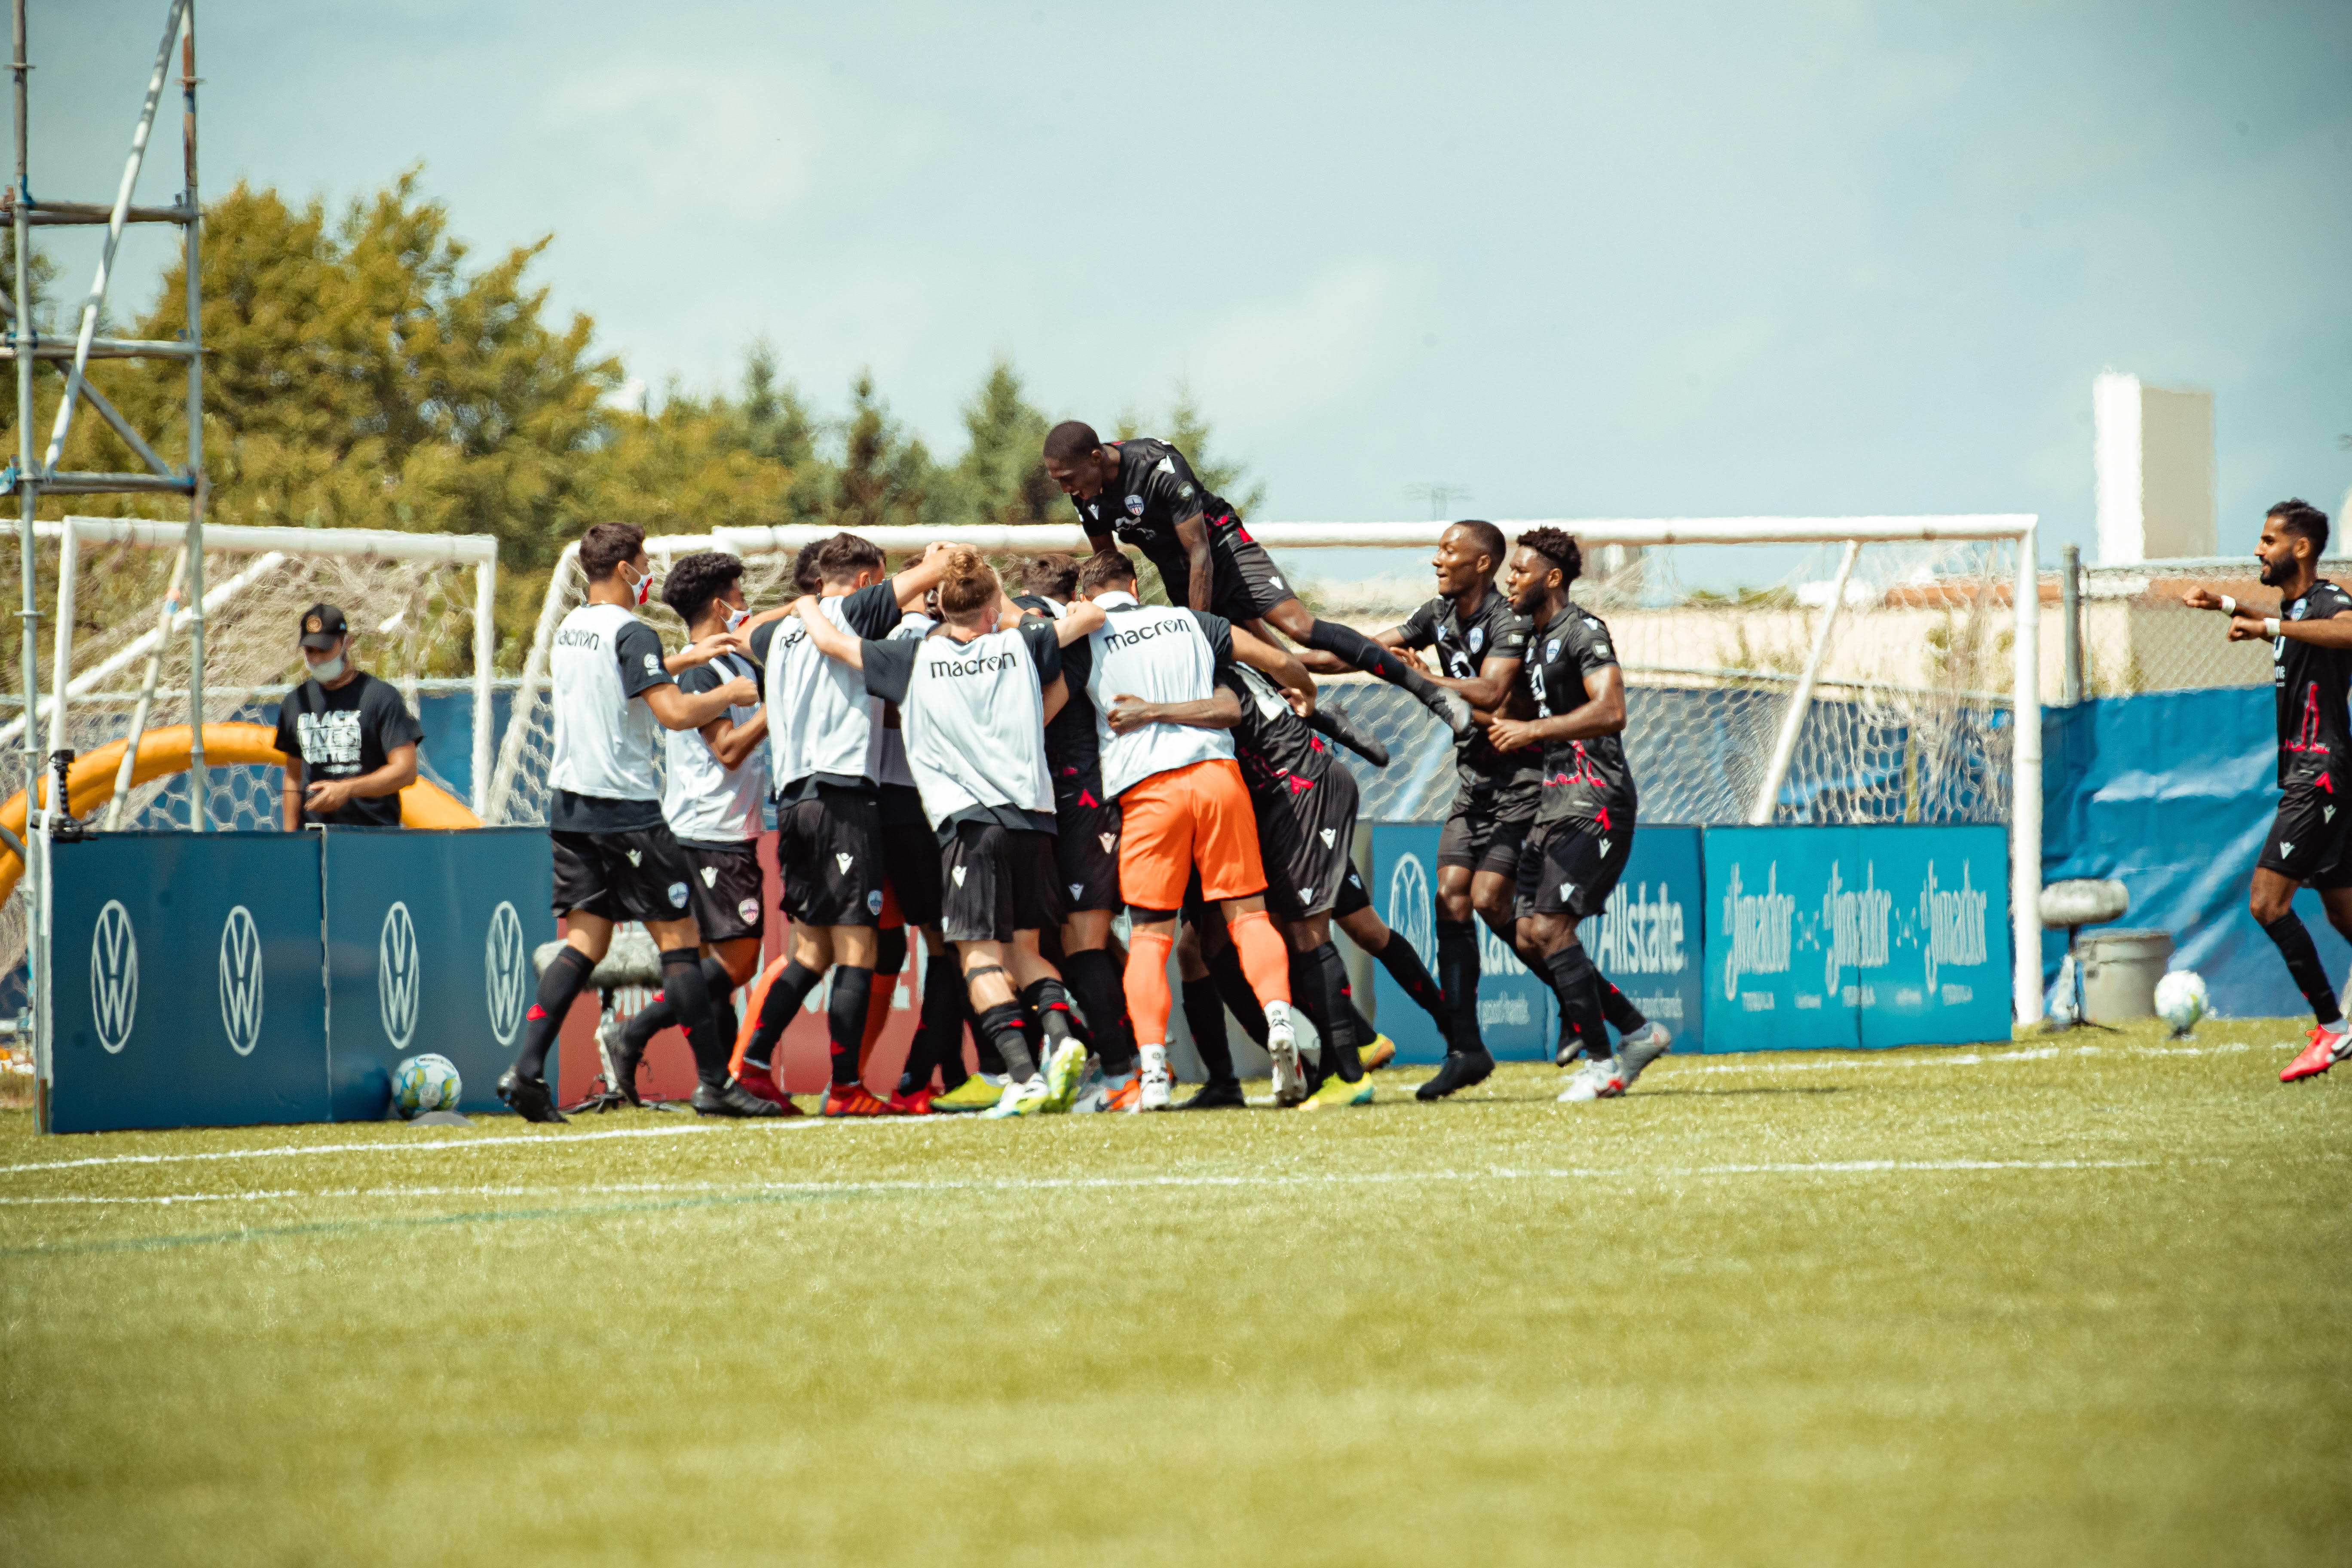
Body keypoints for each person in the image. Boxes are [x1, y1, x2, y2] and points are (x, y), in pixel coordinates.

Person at [793, 546, 1103, 1117]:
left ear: (939, 606)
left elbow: (833, 643)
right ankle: (1063, 1042)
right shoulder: (1020, 642)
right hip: (1033, 822)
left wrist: (808, 607)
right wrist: (1004, 605)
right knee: (1028, 953)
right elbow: (1090, 617)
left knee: (978, 958)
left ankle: (1023, 1075)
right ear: (989, 607)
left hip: (969, 826)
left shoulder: (914, 657)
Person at [497, 523, 772, 1123]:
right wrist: (734, 697)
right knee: (679, 945)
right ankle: (712, 1084)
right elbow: (674, 714)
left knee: (585, 943)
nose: (648, 572)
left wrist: (680, 658)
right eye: (644, 561)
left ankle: (524, 1072)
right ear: (625, 569)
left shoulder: (573, 628)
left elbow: (617, 678)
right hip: (625, 811)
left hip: (570, 807)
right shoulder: (632, 630)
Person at [1043, 420, 1473, 739]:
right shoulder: (1089, 498)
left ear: (1096, 458)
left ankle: (1431, 694)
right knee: (1257, 659)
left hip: (1222, 550)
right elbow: (1109, 568)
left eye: (1068, 479)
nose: (1066, 490)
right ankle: (1324, 719)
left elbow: (1200, 552)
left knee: (1301, 629)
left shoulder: (1159, 466)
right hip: (1178, 572)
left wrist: (1197, 631)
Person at [1076, 548, 1319, 1107]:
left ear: (1087, 599)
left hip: (1149, 791)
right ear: (1135, 585)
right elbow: (1281, 664)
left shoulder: (1085, 634)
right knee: (1249, 917)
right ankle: (1279, 1021)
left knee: (1152, 937)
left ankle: (1155, 1069)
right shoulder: (1191, 621)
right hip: (1217, 777)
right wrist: (1303, 690)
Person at [734, 534, 952, 1117]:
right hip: (844, 799)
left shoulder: (776, 633)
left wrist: (801, 605)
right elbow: (931, 573)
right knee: (857, 948)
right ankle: (848, 1088)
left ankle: (751, 1067)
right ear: (865, 583)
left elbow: (745, 630)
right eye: (877, 584)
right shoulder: (854, 611)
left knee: (810, 951)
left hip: (795, 800)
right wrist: (940, 553)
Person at [1484, 527, 1671, 1103]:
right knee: (1524, 931)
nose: (1509, 579)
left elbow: (1611, 710)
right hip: (1553, 800)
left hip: (1595, 799)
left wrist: (1531, 730)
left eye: (1520, 571)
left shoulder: (1584, 631)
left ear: (1553, 578)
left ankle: (1601, 1063)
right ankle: (1637, 1032)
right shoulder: (1534, 639)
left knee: (1549, 928)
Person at [595, 552, 781, 1109]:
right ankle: (635, 1034)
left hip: (723, 831)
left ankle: (717, 1084)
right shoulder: (704, 672)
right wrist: (778, 707)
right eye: (740, 596)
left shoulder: (736, 662)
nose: (748, 606)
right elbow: (726, 750)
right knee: (738, 962)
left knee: (711, 961)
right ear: (720, 605)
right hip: (710, 833)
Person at [2184, 499, 2352, 1083]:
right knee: (2344, 914)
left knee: (2266, 902)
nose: (2259, 549)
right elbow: (2287, 634)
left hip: (2318, 775)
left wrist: (2269, 624)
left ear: (2300, 548)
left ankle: (2333, 1030)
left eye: (2269, 540)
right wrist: (2229, 607)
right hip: (2321, 776)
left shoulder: (2330, 602)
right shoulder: (2297, 609)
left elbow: (2347, 630)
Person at [1012, 552, 1145, 1111]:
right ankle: (1127, 1060)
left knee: (1083, 942)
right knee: (1076, 943)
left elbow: (1037, 716)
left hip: (1078, 804)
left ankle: (1125, 1075)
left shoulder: (1055, 633)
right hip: (1067, 806)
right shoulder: (1059, 629)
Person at [274, 603, 424, 830]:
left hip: (373, 837)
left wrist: (347, 789)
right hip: (313, 838)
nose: (316, 660)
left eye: (324, 650)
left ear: (347, 643)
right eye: (310, 651)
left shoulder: (380, 697)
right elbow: (294, 776)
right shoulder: (296, 702)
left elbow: (406, 771)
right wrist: (291, 839)